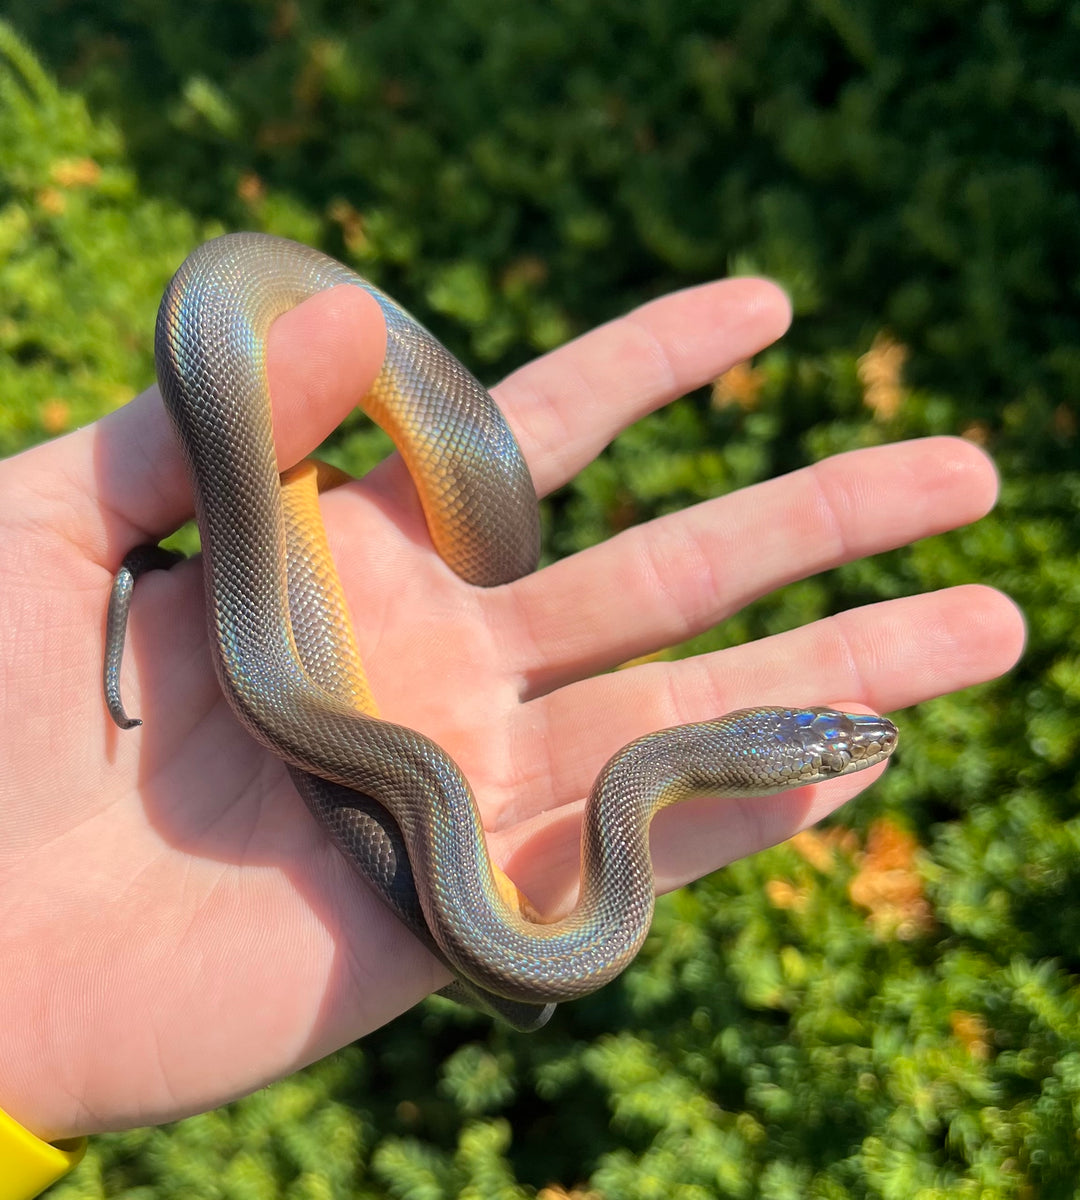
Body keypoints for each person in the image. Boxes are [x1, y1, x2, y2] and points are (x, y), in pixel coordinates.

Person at [0, 275, 1023, 1158]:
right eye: (820, 746)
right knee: (438, 826)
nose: (840, 747)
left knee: (486, 915)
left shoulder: (627, 802)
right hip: (300, 707)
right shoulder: (602, 813)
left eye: (817, 754)